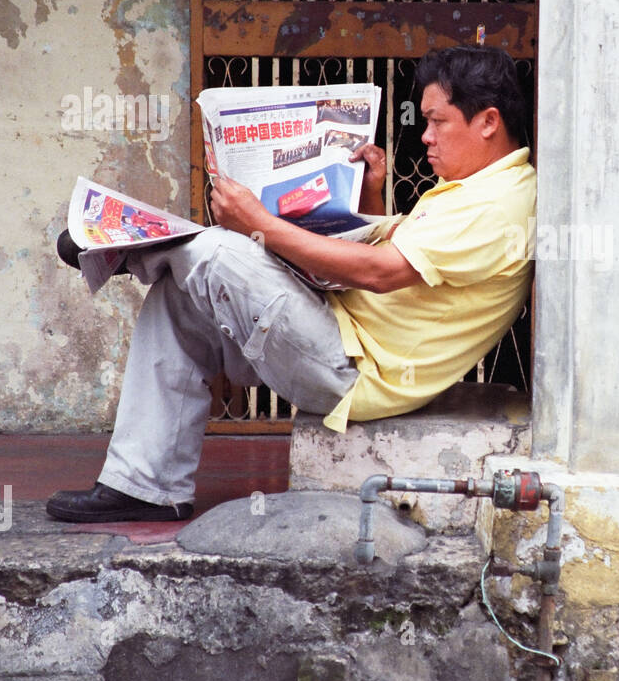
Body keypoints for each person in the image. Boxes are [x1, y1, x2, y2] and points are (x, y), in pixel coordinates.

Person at [47, 45, 536, 522]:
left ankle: (126, 247)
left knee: (221, 251)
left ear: (489, 121)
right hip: (336, 329)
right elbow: (391, 269)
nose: (425, 136)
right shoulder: (473, 190)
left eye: (437, 121)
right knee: (179, 298)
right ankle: (145, 488)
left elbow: (381, 273)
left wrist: (258, 222)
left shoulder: (498, 204)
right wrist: (366, 193)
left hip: (353, 370)